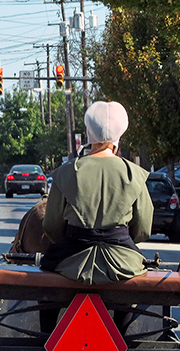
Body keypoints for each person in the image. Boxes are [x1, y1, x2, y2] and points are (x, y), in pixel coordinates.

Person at [40, 101, 154, 285]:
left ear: (88, 132)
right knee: (128, 301)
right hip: (123, 263)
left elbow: (51, 225)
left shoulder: (66, 172)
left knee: (48, 295)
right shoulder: (135, 174)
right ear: (120, 134)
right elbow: (143, 229)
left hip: (70, 262)